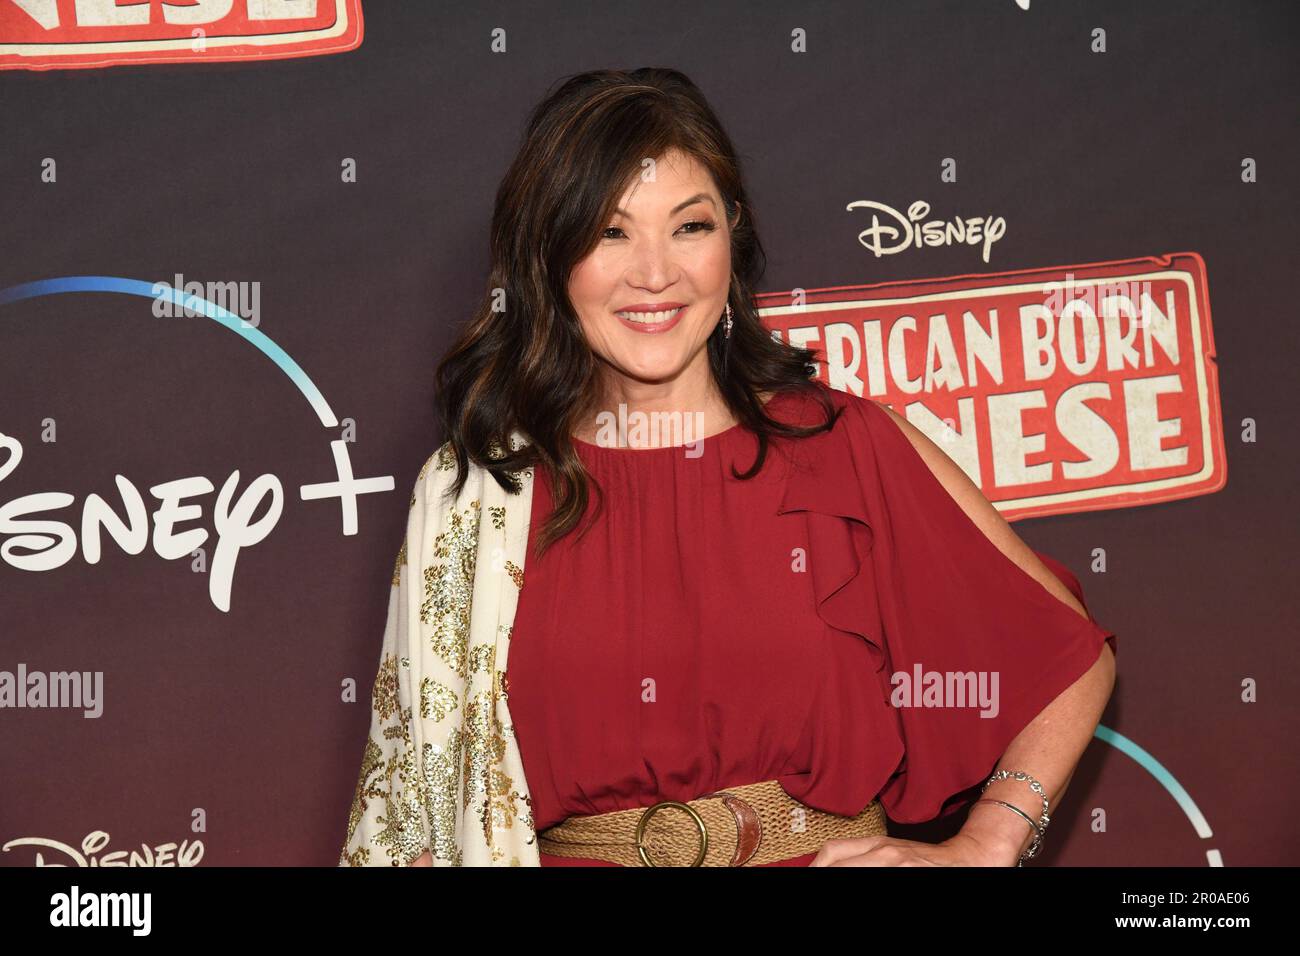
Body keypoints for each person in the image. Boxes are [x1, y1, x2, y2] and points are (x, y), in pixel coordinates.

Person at [339, 67, 1117, 868]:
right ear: (549, 255)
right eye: (611, 233)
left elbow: (1068, 659)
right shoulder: (477, 494)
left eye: (690, 226)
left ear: (731, 239)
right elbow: (416, 819)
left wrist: (986, 845)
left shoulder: (840, 444)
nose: (656, 273)